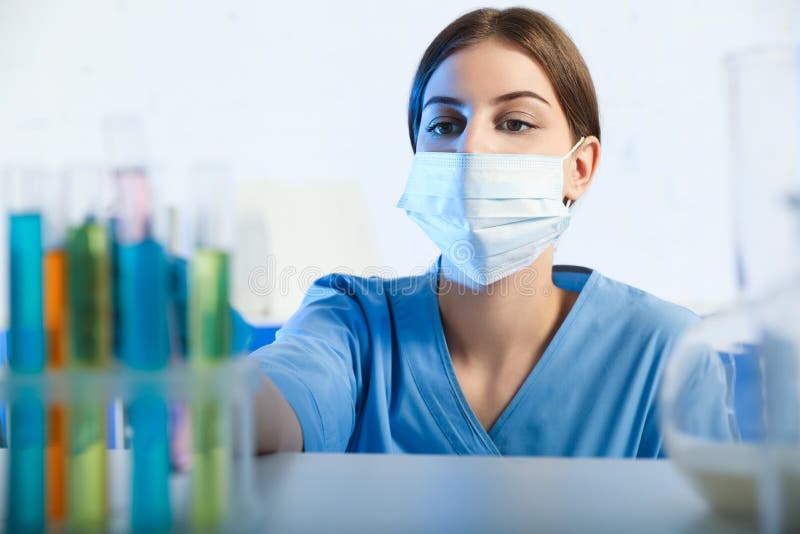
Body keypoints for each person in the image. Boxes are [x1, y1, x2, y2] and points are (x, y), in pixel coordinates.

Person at [249, 7, 732, 456]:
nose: (470, 147)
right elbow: (263, 407)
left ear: (579, 168)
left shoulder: (664, 353)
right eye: (444, 125)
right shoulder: (351, 326)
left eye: (515, 123)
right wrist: (213, 387)